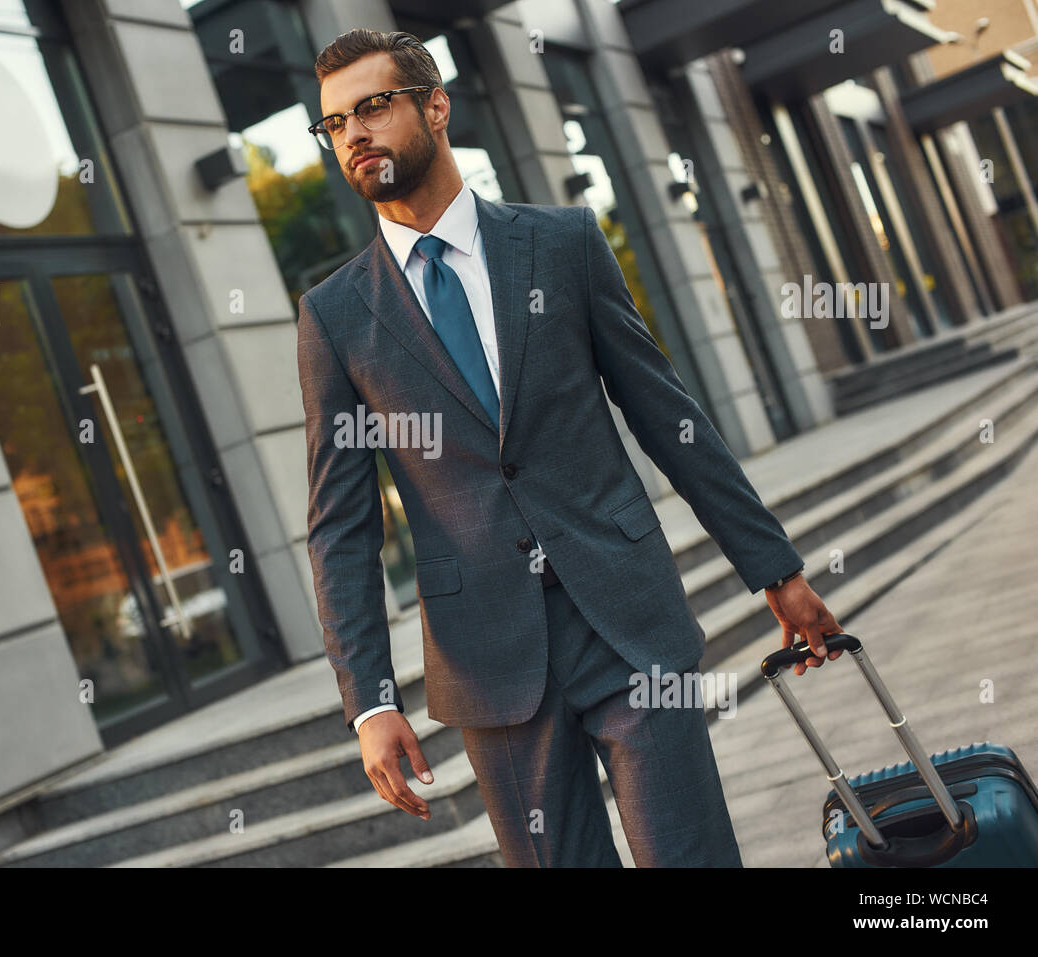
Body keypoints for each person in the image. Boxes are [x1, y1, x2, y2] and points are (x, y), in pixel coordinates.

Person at [296, 28, 844, 867]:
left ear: (437, 106)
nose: (355, 134)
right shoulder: (335, 316)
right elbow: (341, 524)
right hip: (489, 662)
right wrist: (370, 702)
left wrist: (775, 569)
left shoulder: (561, 243)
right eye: (334, 123)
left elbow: (669, 417)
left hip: (628, 622)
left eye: (373, 106)